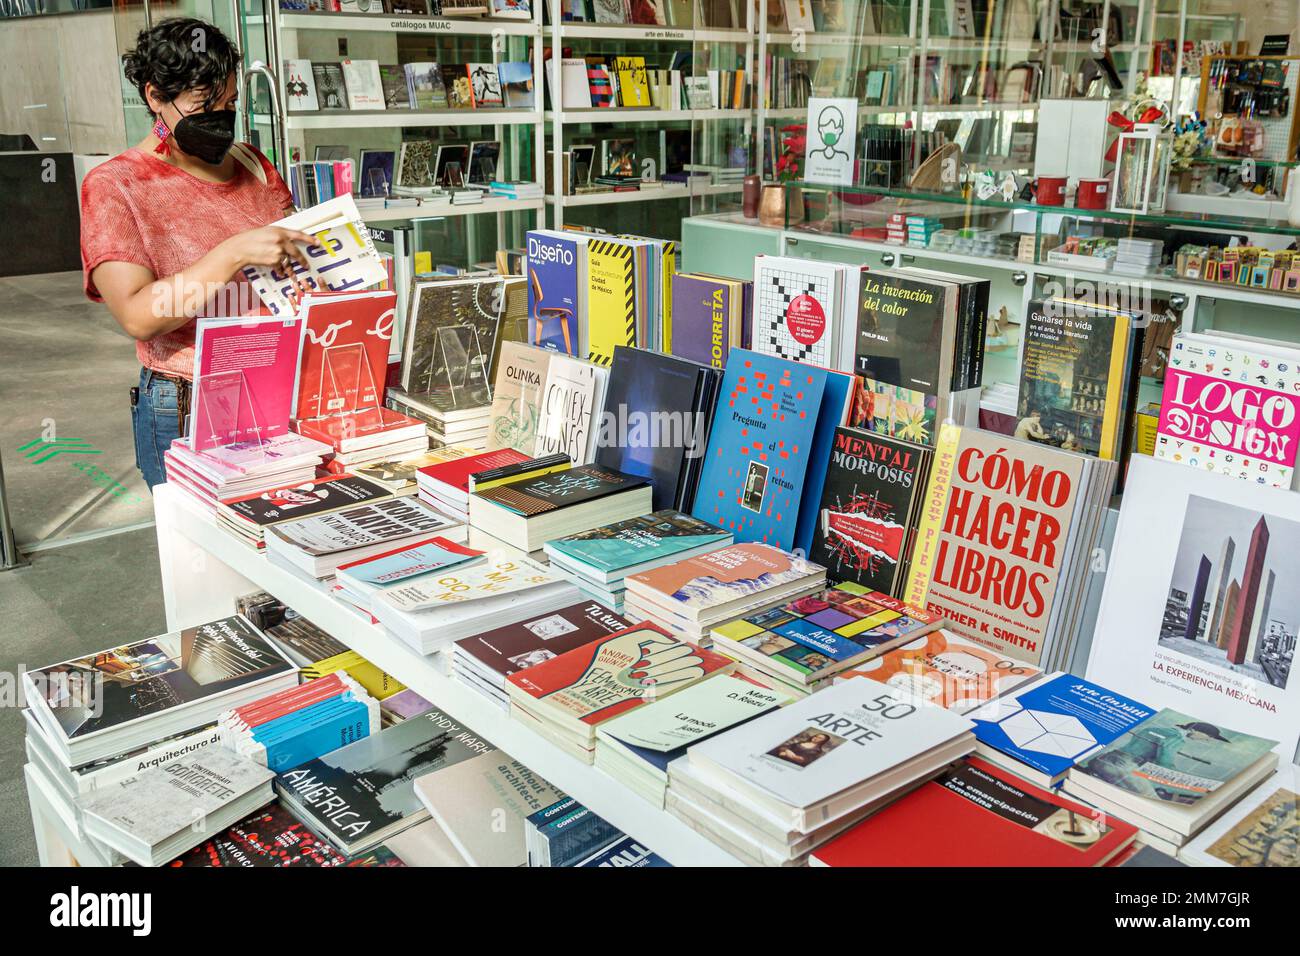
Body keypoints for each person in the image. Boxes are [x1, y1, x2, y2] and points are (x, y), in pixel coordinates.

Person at [80, 17, 314, 490]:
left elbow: (293, 259)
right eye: (204, 105)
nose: (220, 118)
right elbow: (140, 317)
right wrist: (229, 254)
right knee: (201, 555)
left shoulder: (251, 162)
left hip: (279, 381)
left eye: (228, 104)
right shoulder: (115, 187)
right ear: (154, 97)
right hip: (187, 401)